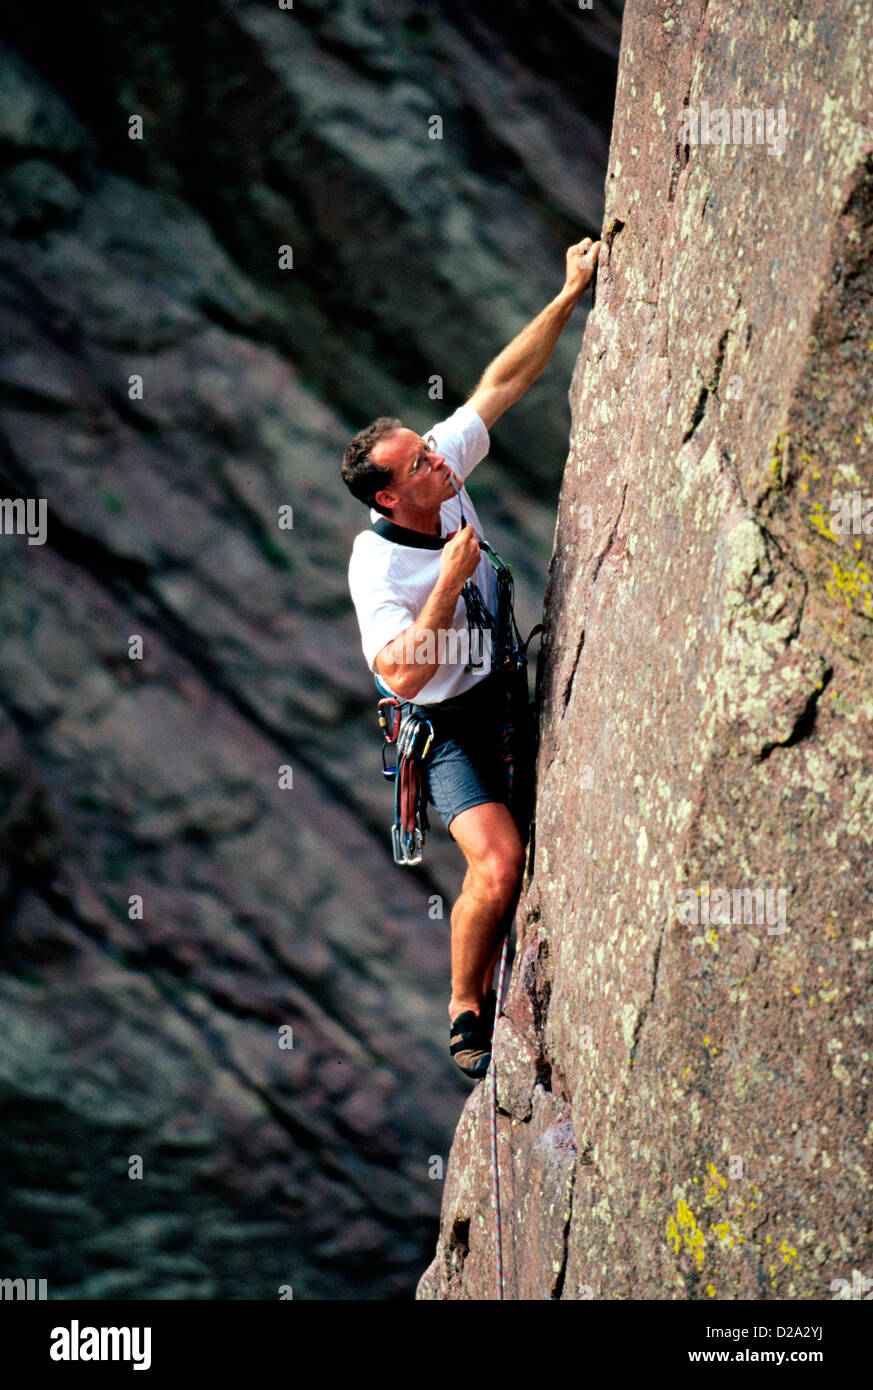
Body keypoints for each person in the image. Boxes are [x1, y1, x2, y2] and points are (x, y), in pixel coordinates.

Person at [342, 236, 600, 1078]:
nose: (437, 461)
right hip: (445, 723)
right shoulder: (378, 564)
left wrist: (566, 297)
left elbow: (500, 384)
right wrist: (446, 587)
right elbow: (398, 672)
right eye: (418, 464)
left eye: (429, 449)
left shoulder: (441, 473)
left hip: (504, 690)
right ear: (390, 496)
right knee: (498, 860)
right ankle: (463, 1005)